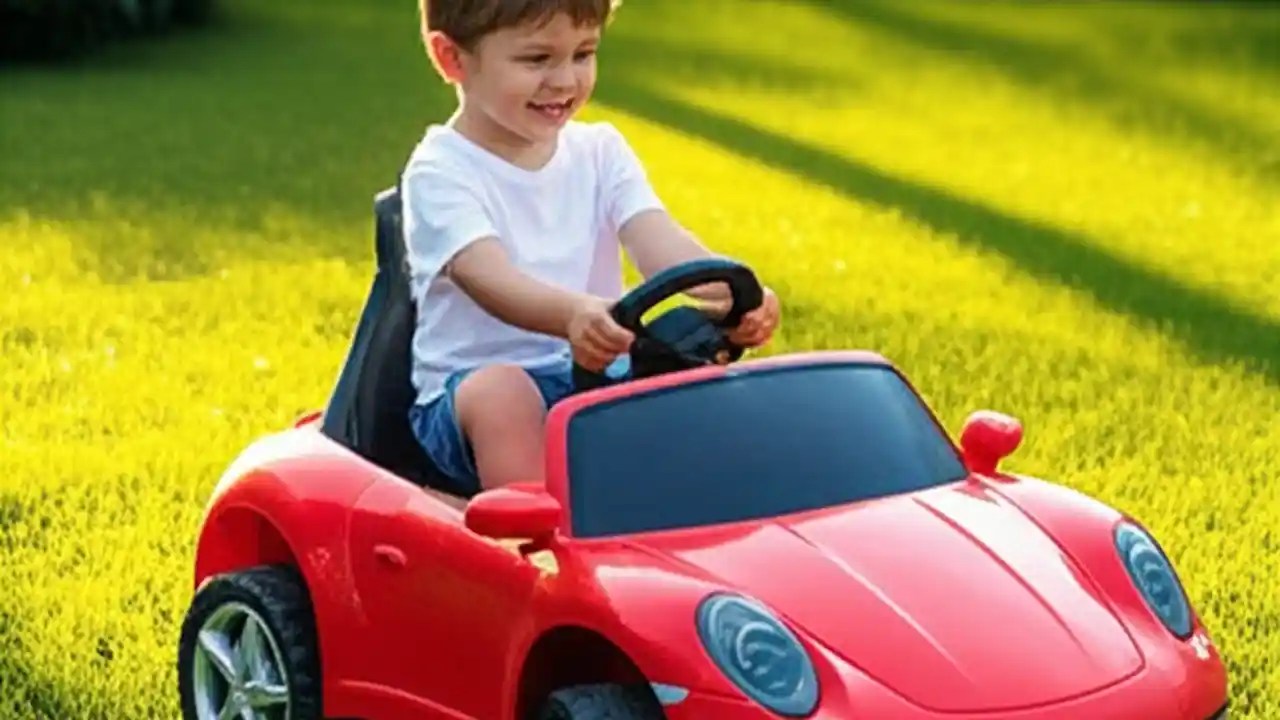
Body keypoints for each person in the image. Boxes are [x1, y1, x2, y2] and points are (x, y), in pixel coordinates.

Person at [403, 0, 782, 509]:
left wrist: (734, 292)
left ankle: (719, 512)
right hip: (468, 399)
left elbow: (658, 240)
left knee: (694, 376)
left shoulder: (601, 152)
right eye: (537, 60)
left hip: (597, 370)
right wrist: (573, 314)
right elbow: (489, 277)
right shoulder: (441, 171)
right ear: (452, 59)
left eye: (583, 54)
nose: (564, 81)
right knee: (504, 394)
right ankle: (533, 538)